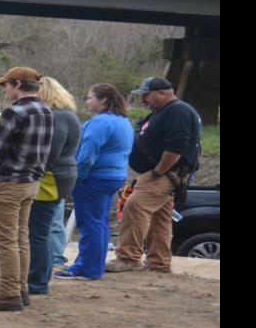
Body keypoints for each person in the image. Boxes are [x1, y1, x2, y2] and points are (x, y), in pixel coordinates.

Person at [0, 66, 52, 312]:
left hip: (8, 184)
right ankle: (21, 289)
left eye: (5, 84)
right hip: (31, 183)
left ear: (17, 84)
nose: (4, 89)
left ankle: (8, 294)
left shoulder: (14, 113)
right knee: (20, 238)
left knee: (5, 241)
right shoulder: (46, 111)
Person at [110, 76, 201, 274]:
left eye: (147, 95)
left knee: (135, 206)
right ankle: (159, 263)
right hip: (164, 174)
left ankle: (128, 258)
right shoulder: (163, 111)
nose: (143, 99)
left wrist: (158, 171)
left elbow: (177, 146)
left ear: (162, 93)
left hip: (164, 174)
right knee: (160, 218)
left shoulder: (178, 111)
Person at [58, 83, 133, 281]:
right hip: (114, 176)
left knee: (89, 224)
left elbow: (87, 155)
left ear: (103, 100)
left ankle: (89, 269)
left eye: (90, 97)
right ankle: (89, 265)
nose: (87, 101)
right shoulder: (123, 121)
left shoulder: (100, 122)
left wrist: (77, 176)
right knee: (99, 223)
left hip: (95, 177)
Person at [26, 76, 82, 297]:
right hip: (60, 176)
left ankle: (38, 282)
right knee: (43, 230)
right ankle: (39, 278)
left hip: (51, 179)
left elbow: (49, 153)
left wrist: (29, 174)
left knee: (38, 233)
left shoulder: (57, 117)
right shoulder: (68, 116)